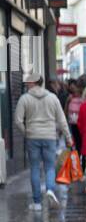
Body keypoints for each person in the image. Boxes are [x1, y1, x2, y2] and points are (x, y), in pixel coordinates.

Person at [14, 72, 72, 211]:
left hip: (32, 137)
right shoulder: (53, 98)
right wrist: (68, 138)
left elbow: (18, 120)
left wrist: (26, 132)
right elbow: (62, 120)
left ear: (34, 83)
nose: (27, 84)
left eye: (29, 82)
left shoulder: (24, 99)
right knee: (50, 167)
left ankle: (37, 203)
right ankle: (50, 189)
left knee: (34, 168)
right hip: (49, 137)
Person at [65, 81, 85, 164]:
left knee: (81, 143)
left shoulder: (84, 98)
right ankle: (76, 162)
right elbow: (65, 110)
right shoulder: (70, 98)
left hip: (82, 124)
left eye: (76, 87)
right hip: (73, 124)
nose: (74, 89)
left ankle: (82, 162)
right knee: (76, 143)